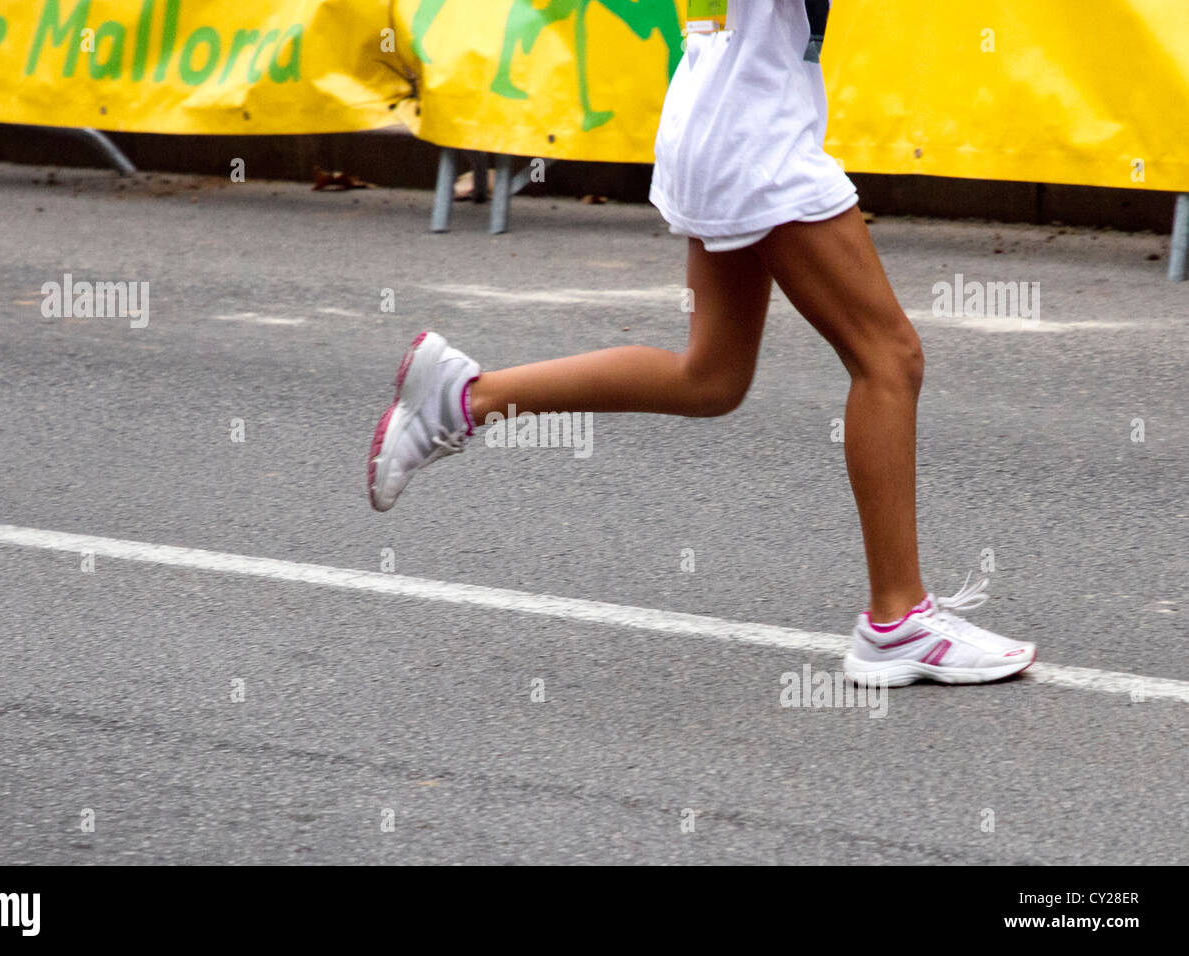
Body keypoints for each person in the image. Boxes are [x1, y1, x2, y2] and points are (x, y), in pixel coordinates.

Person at [368, 0, 1036, 687]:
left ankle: (465, 397)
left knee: (711, 378)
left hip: (724, 107)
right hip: (752, 133)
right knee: (889, 359)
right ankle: (897, 620)